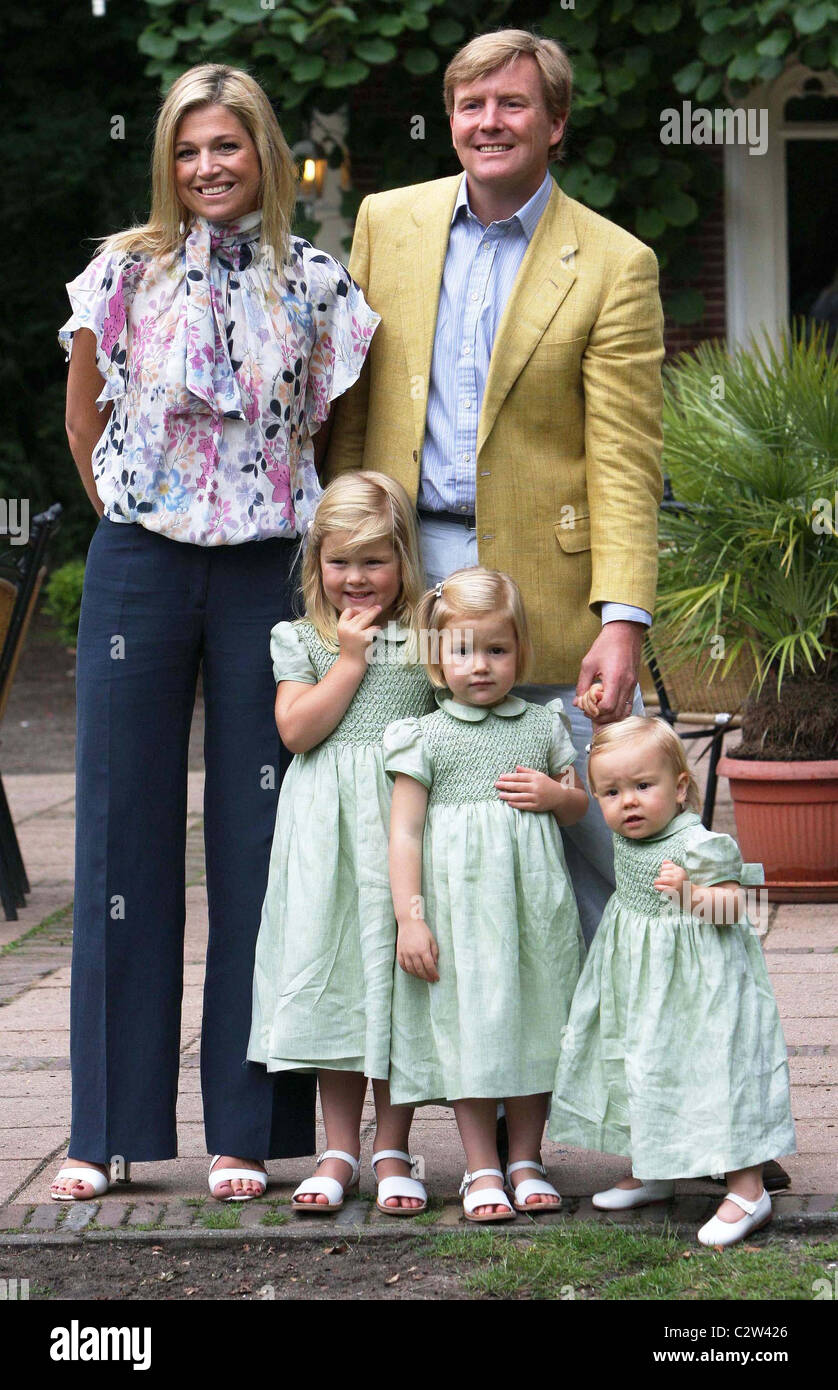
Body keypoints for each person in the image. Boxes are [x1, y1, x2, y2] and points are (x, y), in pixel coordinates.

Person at [52, 64, 379, 1202]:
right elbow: (84, 415)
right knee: (119, 843)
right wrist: (143, 514)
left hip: (267, 574)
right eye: (188, 150)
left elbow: (329, 437)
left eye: (227, 147)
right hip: (140, 567)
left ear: (265, 155)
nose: (207, 168)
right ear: (167, 160)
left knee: (264, 846)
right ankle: (104, 1130)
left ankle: (249, 1126)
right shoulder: (122, 272)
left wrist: (264, 525)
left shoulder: (321, 284)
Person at [326, 28, 665, 947]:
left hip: (547, 595)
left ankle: (617, 1052)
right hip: (402, 577)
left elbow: (625, 457)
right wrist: (336, 576)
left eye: (514, 104)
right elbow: (349, 414)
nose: (490, 122)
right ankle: (449, 1057)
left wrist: (622, 619)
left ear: (555, 123)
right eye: (472, 105)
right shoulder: (386, 225)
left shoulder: (614, 262)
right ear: (449, 121)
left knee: (589, 841)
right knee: (407, 821)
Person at [248, 472, 436, 1215]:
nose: (356, 579)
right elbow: (296, 730)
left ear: (404, 560)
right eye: (340, 562)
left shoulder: (427, 632)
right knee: (336, 983)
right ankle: (338, 1150)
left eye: (375, 562)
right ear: (315, 565)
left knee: (394, 986)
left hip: (402, 830)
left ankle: (394, 1146)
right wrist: (352, 661)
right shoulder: (301, 638)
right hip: (327, 838)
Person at [384, 568, 588, 1221]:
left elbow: (578, 807)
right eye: (464, 650)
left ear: (519, 654)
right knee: (470, 1031)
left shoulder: (543, 724)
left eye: (497, 651)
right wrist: (409, 919)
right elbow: (405, 834)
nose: (481, 666)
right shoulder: (425, 735)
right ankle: (479, 1167)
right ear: (437, 659)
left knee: (536, 1024)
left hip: (533, 913)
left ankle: (526, 1157)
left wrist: (558, 797)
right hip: (459, 913)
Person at [548, 714, 796, 1247]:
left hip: (701, 987)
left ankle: (749, 1188)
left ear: (680, 787)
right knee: (640, 1062)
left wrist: (691, 894)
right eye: (611, 792)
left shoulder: (700, 843)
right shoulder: (627, 837)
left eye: (643, 786)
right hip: (637, 974)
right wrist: (599, 720)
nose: (628, 802)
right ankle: (654, 1167)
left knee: (714, 1072)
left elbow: (739, 907)